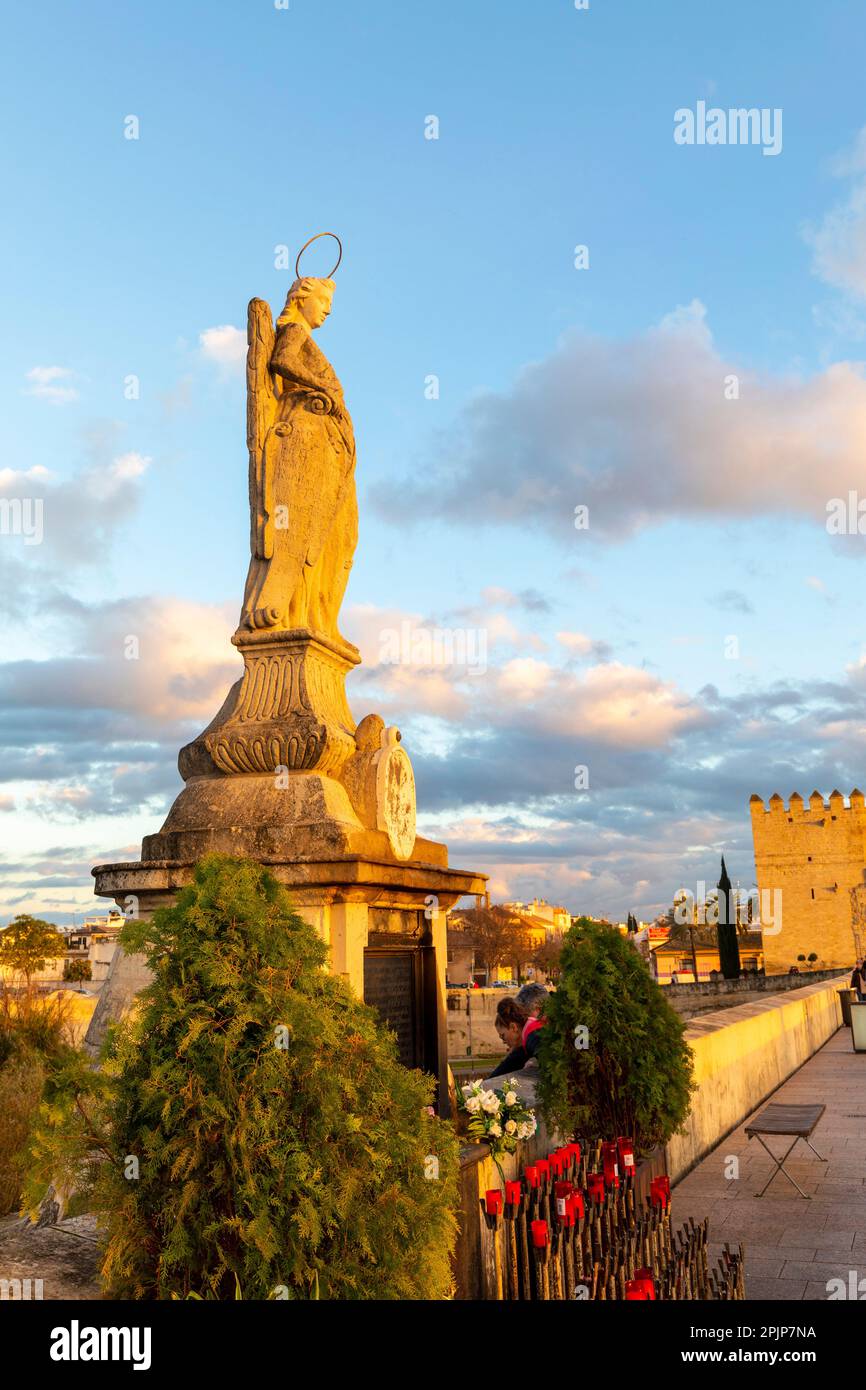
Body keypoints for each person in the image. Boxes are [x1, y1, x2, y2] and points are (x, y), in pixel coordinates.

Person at [485, 998, 529, 1078]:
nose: (504, 1042)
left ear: (513, 1027)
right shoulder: (529, 1040)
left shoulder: (519, 1054)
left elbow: (495, 1076)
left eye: (503, 1036)